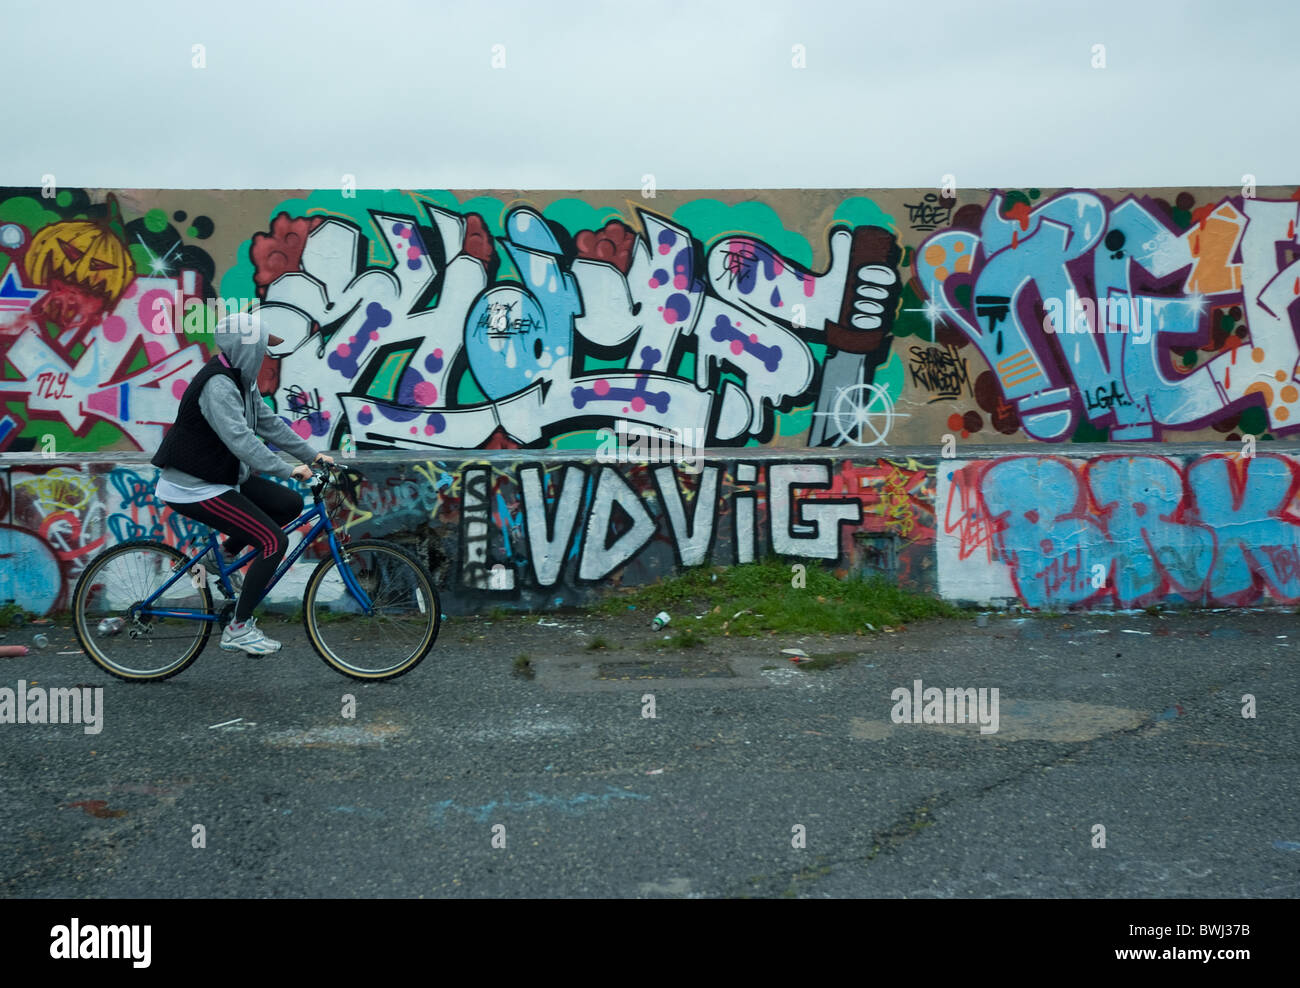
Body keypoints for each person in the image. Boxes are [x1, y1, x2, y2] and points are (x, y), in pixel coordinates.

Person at [151, 310, 333, 655]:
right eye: (262, 348)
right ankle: (238, 627)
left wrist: (313, 457)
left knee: (289, 506)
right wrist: (287, 469)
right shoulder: (218, 385)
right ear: (244, 348)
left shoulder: (241, 381)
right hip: (193, 485)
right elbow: (240, 440)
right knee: (272, 541)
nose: (265, 355)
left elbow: (270, 425)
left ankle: (219, 558)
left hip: (220, 478)